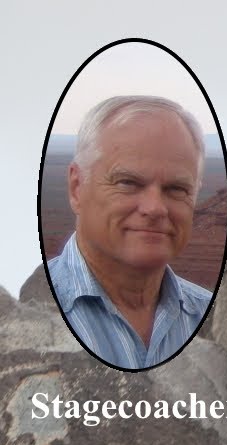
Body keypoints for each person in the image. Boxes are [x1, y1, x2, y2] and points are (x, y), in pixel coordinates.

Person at [46, 95, 211, 370]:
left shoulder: (215, 321)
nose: (155, 208)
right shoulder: (27, 312)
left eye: (176, 189)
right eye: (128, 183)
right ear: (77, 187)